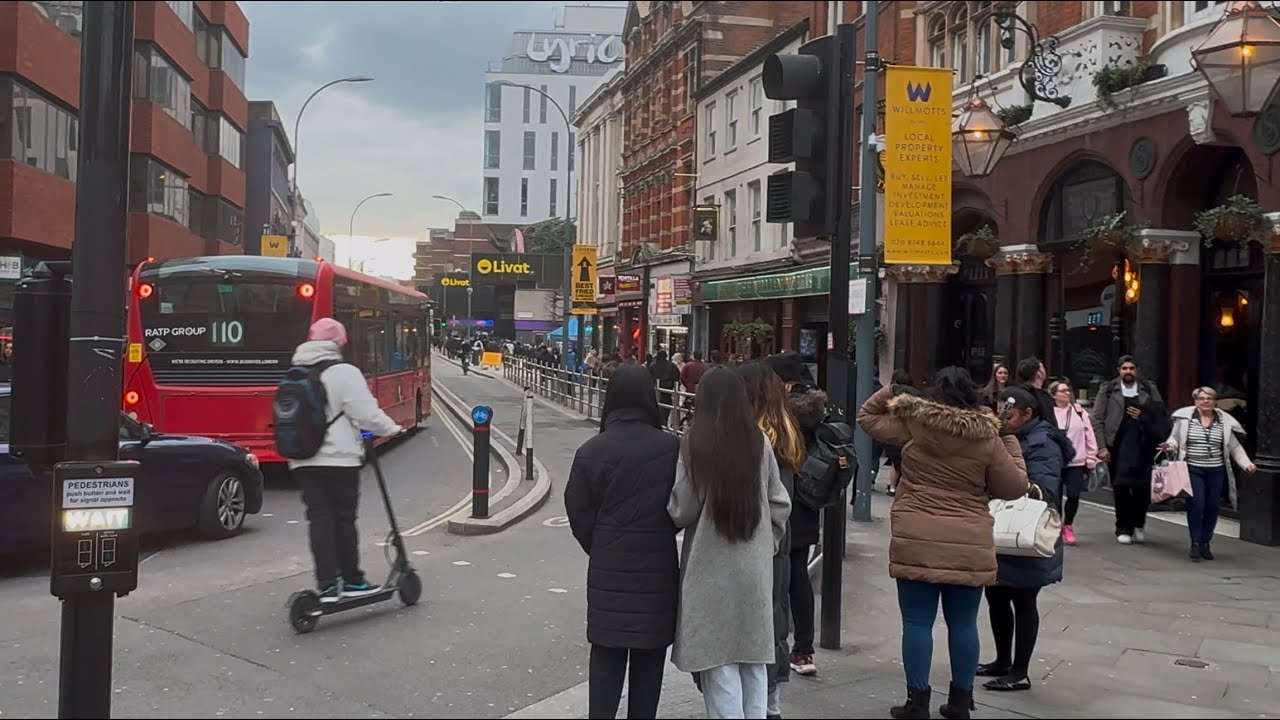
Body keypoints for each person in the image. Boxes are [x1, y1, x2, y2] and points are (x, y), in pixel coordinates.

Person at [857, 366, 1029, 720]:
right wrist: (1007, 437)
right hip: (968, 540)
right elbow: (1015, 487)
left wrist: (893, 389)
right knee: (964, 623)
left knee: (917, 623)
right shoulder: (987, 437)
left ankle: (916, 703)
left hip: (916, 536)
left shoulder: (914, 424)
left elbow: (867, 417)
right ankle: (960, 703)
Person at [668, 368, 791, 719]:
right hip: (753, 569)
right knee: (753, 660)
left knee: (719, 664)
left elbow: (682, 508)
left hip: (709, 571)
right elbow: (780, 503)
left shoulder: (695, 442)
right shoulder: (759, 441)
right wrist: (767, 545)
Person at [564, 364, 681, 719]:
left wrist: (601, 544)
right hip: (658, 573)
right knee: (649, 664)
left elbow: (577, 510)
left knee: (606, 660)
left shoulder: (591, 450)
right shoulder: (671, 448)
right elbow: (683, 506)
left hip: (608, 574)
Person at [289, 318, 407, 601]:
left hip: (303, 458)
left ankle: (327, 584)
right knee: (343, 519)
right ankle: (353, 580)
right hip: (339, 459)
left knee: (319, 518)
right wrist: (392, 429)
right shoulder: (345, 372)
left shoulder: (295, 372)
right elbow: (366, 413)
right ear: (338, 343)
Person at [978, 387, 1069, 693]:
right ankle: (1003, 661)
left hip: (1027, 533)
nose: (1003, 418)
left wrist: (1008, 481)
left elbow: (1045, 490)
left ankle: (1020, 672)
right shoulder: (1010, 437)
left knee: (1024, 600)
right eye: (1000, 412)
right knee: (996, 596)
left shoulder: (1043, 442)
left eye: (1010, 414)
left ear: (1028, 413)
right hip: (1004, 530)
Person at [736, 362, 808, 720]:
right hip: (779, 543)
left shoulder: (754, 441)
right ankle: (770, 703)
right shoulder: (787, 433)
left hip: (759, 544)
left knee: (758, 622)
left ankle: (761, 704)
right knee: (775, 615)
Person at [764, 351, 825, 679]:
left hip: (785, 498)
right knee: (799, 574)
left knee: (783, 575)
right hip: (807, 500)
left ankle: (781, 644)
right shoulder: (815, 409)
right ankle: (804, 648)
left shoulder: (781, 414)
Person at [1160, 387, 1257, 561]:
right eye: (1201, 398)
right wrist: (1170, 446)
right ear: (1195, 401)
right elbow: (1175, 438)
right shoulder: (1185, 418)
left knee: (1212, 507)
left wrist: (1246, 464)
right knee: (1197, 505)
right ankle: (1195, 542)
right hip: (1193, 469)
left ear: (1215, 401)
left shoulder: (1224, 421)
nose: (1205, 401)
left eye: (1209, 398)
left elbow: (1234, 447)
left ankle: (1205, 542)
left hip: (1215, 471)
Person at [1090, 356, 1169, 544]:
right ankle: (1123, 527)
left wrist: (1143, 415)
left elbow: (1161, 415)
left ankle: (1138, 523)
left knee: (1143, 489)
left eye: (1131, 368)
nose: (1128, 372)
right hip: (1117, 446)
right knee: (1121, 488)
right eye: (1124, 368)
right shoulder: (1108, 389)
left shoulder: (1148, 388)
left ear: (1137, 370)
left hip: (1144, 446)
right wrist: (1102, 447)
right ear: (1119, 370)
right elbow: (1098, 419)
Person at [1048, 380, 1098, 546]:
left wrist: (1091, 456)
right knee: (1054, 497)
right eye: (1062, 391)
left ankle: (1068, 524)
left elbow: (1089, 434)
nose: (1067, 393)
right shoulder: (1048, 413)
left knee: (1074, 495)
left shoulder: (1078, 411)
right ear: (1054, 395)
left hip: (1076, 461)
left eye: (1068, 390)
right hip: (1055, 461)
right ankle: (1056, 527)